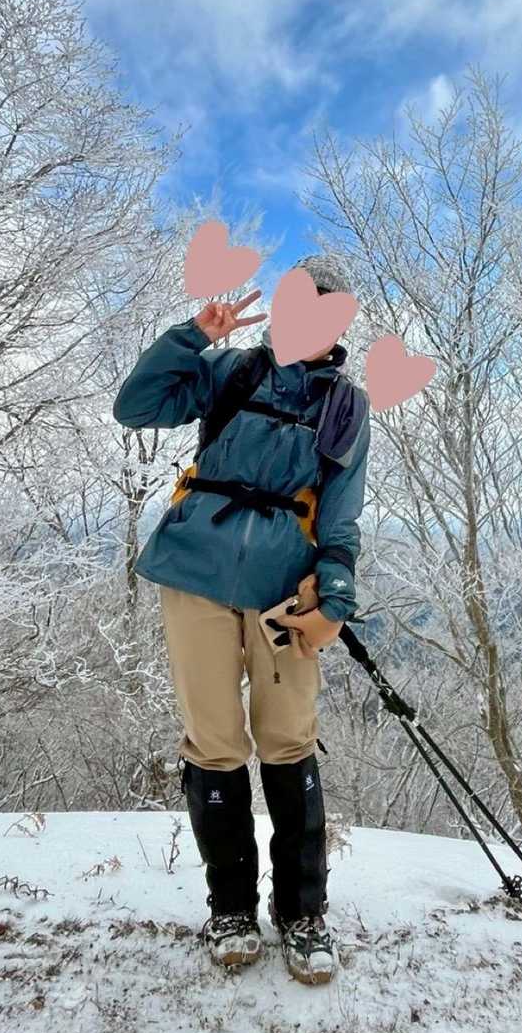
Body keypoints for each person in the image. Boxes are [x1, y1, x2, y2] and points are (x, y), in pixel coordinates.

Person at [112, 255, 370, 985]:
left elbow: (344, 516)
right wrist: (191, 337)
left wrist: (336, 592)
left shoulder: (346, 407)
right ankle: (230, 907)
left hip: (285, 590)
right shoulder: (230, 371)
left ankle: (302, 912)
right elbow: (134, 407)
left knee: (289, 738)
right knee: (215, 740)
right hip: (194, 573)